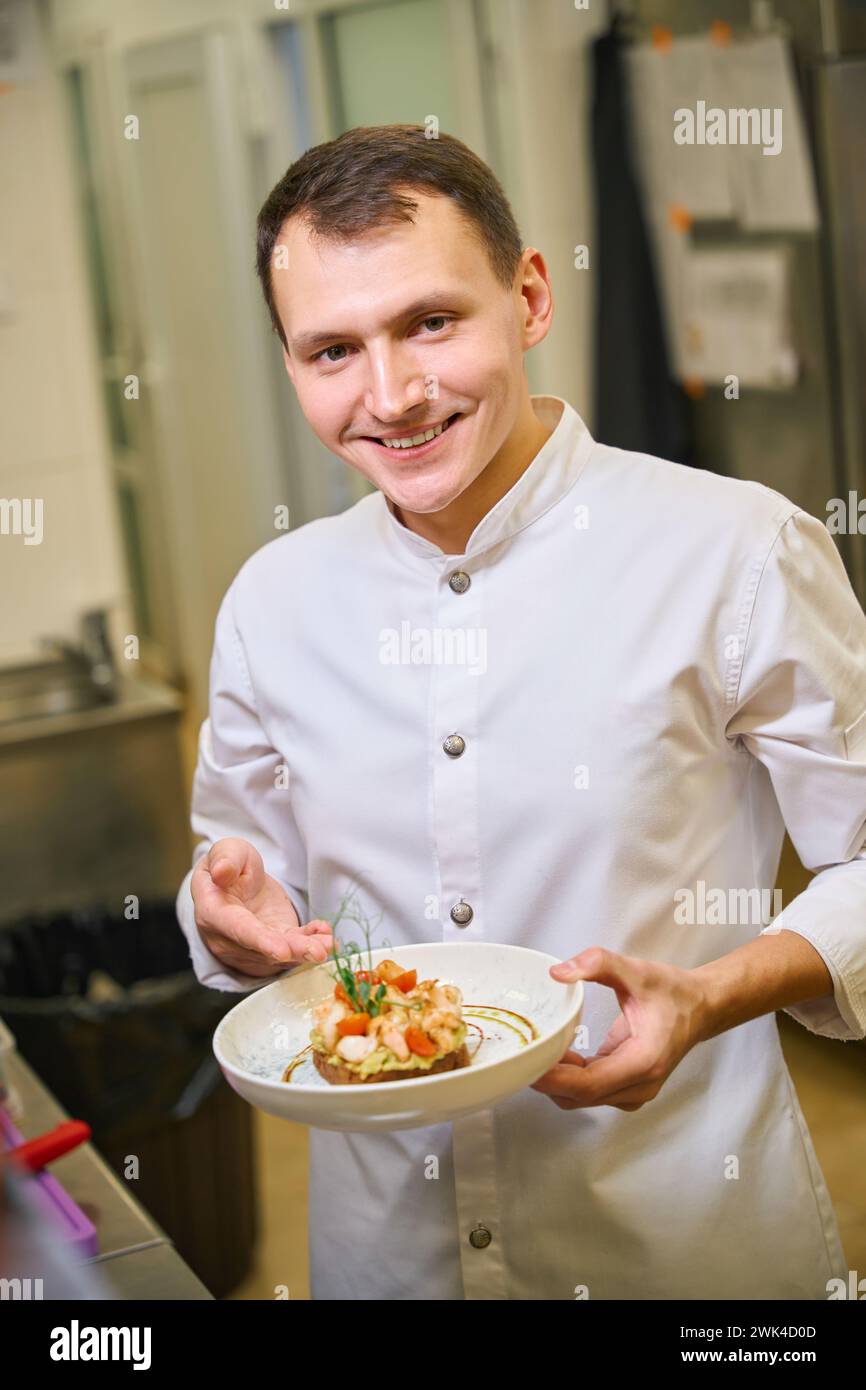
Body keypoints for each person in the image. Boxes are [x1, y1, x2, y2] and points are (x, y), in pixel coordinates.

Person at [176, 125, 866, 1300]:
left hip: (684, 1245)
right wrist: (229, 912)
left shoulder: (734, 550)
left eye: (430, 322)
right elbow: (252, 894)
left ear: (529, 295)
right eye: (331, 349)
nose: (389, 397)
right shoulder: (270, 603)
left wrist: (712, 995)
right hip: (386, 1252)